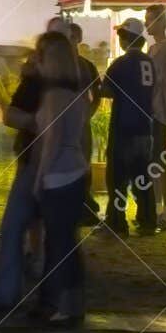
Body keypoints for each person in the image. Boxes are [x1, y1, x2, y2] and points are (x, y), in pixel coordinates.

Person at [33, 29, 89, 326]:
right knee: (69, 242)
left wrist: (39, 176)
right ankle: (72, 303)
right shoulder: (76, 94)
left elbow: (51, 140)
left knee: (59, 243)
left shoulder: (54, 95)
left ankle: (64, 306)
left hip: (59, 175)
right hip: (76, 170)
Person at [0, 37, 45, 310]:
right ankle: (56, 296)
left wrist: (33, 124)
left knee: (13, 228)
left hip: (34, 163)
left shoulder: (34, 83)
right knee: (51, 231)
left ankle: (9, 292)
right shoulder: (73, 82)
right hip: (60, 167)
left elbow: (11, 115)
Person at [100, 17, 156, 236]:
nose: (119, 39)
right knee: (143, 176)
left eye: (121, 35)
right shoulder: (148, 62)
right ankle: (148, 221)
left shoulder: (121, 64)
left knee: (117, 177)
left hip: (124, 127)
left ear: (127, 38)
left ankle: (116, 222)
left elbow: (106, 91)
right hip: (145, 127)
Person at [145, 5, 166, 231]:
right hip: (152, 112)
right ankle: (158, 209)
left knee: (161, 162)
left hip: (161, 112)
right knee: (153, 162)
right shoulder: (153, 49)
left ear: (159, 22)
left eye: (148, 19)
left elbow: (160, 82)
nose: (146, 23)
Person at [68, 20, 102, 223]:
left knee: (83, 163)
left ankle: (83, 203)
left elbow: (98, 92)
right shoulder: (77, 65)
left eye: (73, 38)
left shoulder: (85, 65)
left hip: (79, 122)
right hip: (74, 121)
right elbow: (97, 91)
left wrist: (90, 111)